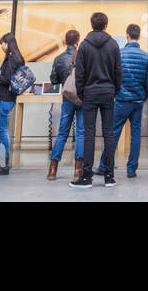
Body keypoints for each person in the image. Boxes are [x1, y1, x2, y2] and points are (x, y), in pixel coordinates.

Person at [71, 12, 122, 188]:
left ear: (91, 25)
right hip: (108, 93)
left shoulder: (84, 45)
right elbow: (118, 71)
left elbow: (80, 73)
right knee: (109, 134)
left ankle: (86, 177)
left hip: (90, 94)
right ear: (106, 25)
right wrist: (114, 90)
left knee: (88, 133)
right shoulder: (114, 45)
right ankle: (109, 176)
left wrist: (82, 92)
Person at [101, 23, 148, 180]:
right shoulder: (146, 56)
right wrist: (144, 95)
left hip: (122, 100)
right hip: (137, 101)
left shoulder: (120, 54)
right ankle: (131, 169)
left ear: (127, 36)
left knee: (113, 132)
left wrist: (117, 93)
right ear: (139, 36)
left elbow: (112, 76)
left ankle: (104, 165)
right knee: (136, 135)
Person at [0, 32, 26, 176]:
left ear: (7, 43)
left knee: (1, 131)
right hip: (5, 98)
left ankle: (3, 165)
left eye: (2, 43)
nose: (1, 46)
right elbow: (6, 81)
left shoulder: (12, 59)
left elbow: (7, 79)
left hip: (6, 100)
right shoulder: (13, 59)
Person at [46, 29, 84, 181]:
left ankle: (53, 169)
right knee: (81, 133)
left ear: (65, 42)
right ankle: (77, 170)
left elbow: (54, 80)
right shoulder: (83, 58)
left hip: (67, 98)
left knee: (62, 133)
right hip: (81, 98)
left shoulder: (58, 58)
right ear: (77, 42)